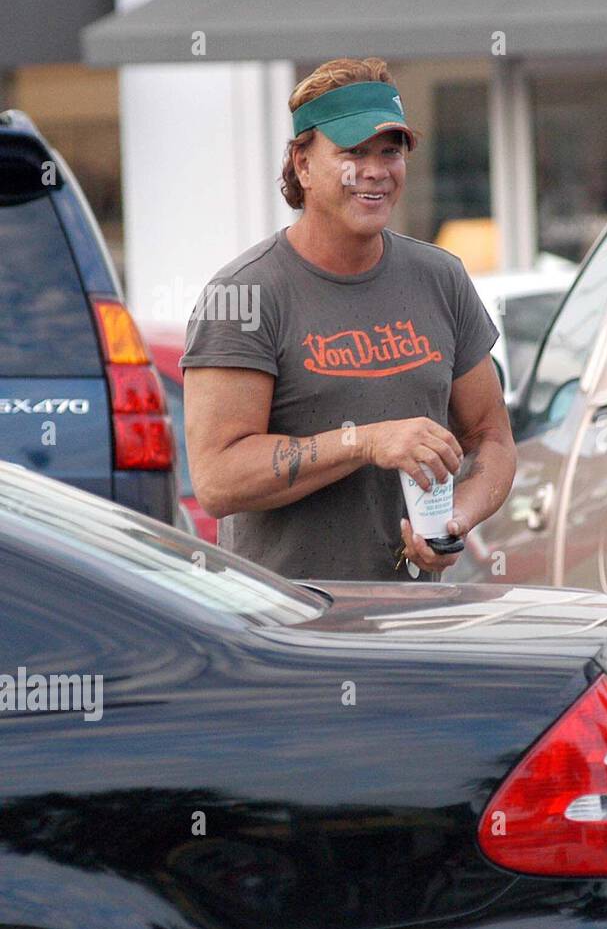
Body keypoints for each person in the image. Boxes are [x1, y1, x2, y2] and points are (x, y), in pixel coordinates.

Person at [181, 57, 515, 581]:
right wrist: (366, 441)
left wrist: (455, 521)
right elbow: (218, 480)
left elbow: (492, 438)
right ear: (303, 164)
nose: (377, 170)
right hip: (287, 628)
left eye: (391, 151)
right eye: (352, 152)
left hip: (414, 625)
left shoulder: (441, 278)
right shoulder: (243, 293)